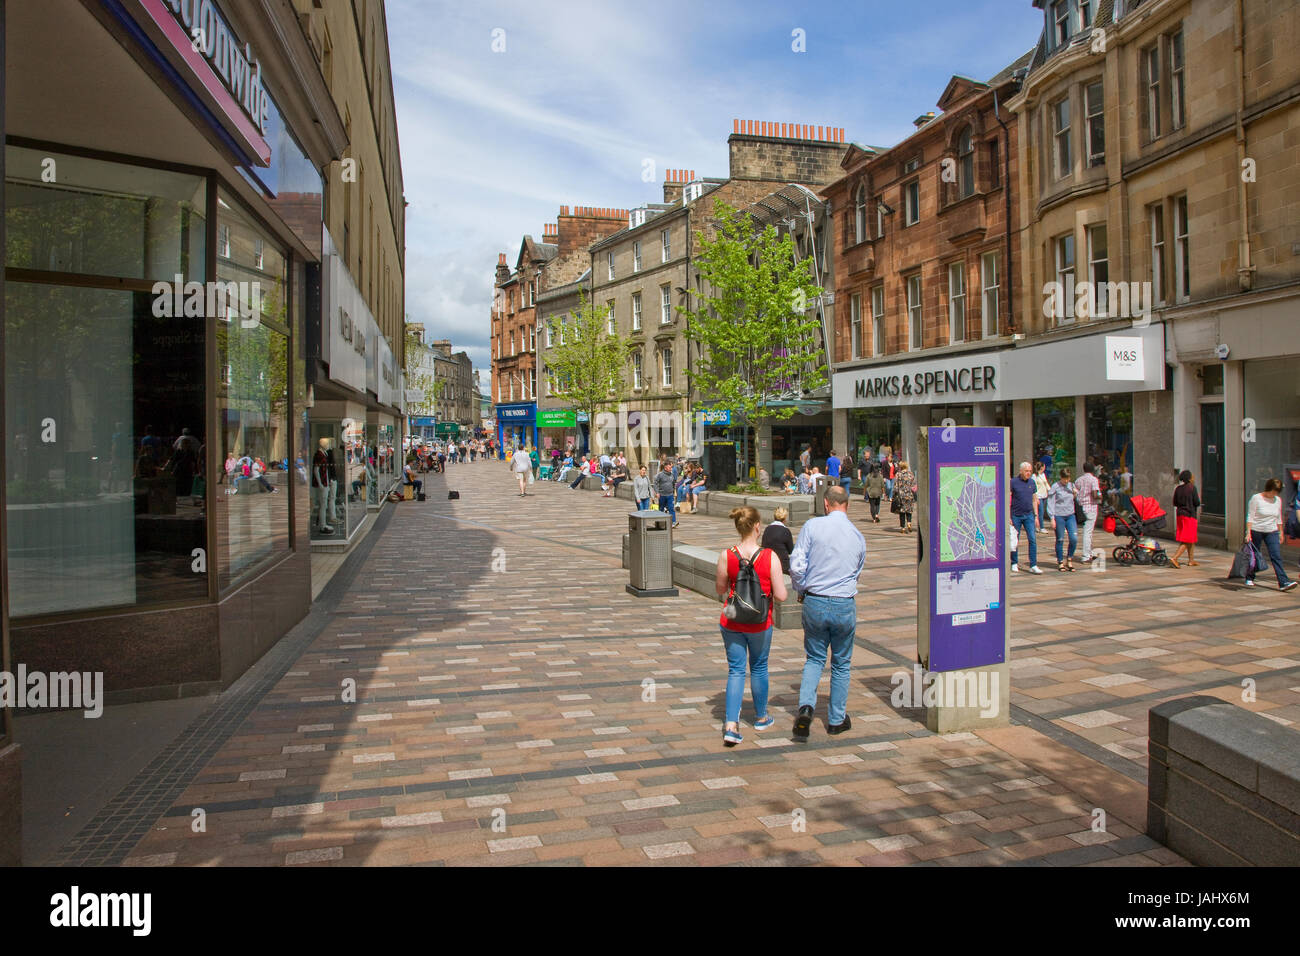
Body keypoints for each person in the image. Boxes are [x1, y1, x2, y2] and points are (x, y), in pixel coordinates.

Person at [790, 486, 866, 738]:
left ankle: (806, 708)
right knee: (841, 664)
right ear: (847, 505)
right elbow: (857, 569)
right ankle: (835, 719)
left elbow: (797, 564)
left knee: (814, 658)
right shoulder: (857, 534)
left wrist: (801, 588)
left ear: (826, 503)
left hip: (816, 600)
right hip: (844, 602)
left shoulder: (812, 527)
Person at [715, 506, 787, 746]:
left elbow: (720, 589)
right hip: (760, 622)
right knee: (758, 667)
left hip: (733, 620)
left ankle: (731, 725)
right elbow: (782, 595)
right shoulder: (770, 557)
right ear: (758, 526)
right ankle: (761, 717)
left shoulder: (728, 554)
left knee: (736, 670)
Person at [1245, 478, 1296, 591]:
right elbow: (1250, 516)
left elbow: (1278, 517)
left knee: (1276, 556)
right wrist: (1248, 532)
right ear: (1268, 489)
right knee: (1255, 556)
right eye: (1273, 491)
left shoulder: (1277, 500)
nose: (1274, 494)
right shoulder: (1256, 498)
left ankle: (1283, 582)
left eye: (1277, 492)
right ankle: (1250, 576)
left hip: (1271, 531)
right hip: (1256, 530)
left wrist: (1280, 532)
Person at [1009, 461, 1043, 573]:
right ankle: (1014, 562)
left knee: (1032, 539)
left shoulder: (1032, 482)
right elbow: (1008, 499)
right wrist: (1008, 516)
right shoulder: (1013, 482)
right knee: (1015, 540)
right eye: (1026, 471)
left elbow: (1034, 499)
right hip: (1016, 515)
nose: (1028, 473)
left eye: (1030, 471)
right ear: (1021, 471)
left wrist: (1036, 515)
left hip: (1029, 515)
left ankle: (1033, 564)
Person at [1047, 466, 1080, 571]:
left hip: (1070, 515)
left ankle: (1069, 559)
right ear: (1061, 477)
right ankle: (1060, 561)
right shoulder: (1055, 486)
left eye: (1068, 478)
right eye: (1064, 478)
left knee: (1074, 538)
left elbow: (1075, 499)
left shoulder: (1071, 485)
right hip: (1059, 515)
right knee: (1060, 539)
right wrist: (1052, 517)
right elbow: (1051, 502)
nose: (1066, 480)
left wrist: (1075, 493)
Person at [1169, 470, 1201, 569]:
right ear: (1189, 478)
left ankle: (1191, 560)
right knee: (1187, 539)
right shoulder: (1192, 488)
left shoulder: (1178, 488)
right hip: (1189, 515)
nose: (1193, 478)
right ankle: (1175, 558)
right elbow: (1197, 502)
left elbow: (1174, 502)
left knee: (1191, 538)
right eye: (1192, 476)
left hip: (1180, 515)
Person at [1076, 462, 1102, 563]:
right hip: (1091, 507)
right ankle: (1086, 555)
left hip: (1082, 507)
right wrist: (1101, 496)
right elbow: (1095, 494)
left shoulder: (1079, 479)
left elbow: (1076, 489)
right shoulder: (1094, 480)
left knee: (1088, 531)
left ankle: (1089, 553)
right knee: (1088, 532)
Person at [761, 505, 795, 574]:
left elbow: (763, 545)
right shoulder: (785, 531)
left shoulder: (767, 529)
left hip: (768, 562)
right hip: (782, 565)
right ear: (785, 519)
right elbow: (791, 550)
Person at [654, 458, 677, 527]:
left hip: (670, 495)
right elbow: (655, 483)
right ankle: (659, 523)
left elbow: (673, 484)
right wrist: (657, 492)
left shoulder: (672, 475)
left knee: (671, 508)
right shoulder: (660, 475)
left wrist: (674, 492)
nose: (671, 469)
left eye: (671, 467)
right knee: (661, 509)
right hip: (662, 495)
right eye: (669, 467)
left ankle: (673, 522)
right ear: (665, 467)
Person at [894, 461, 917, 533]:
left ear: (900, 466)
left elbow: (896, 486)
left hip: (901, 495)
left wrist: (894, 494)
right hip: (910, 495)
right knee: (909, 510)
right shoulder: (911, 474)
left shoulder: (898, 474)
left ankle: (903, 527)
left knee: (902, 511)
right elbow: (914, 485)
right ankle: (909, 523)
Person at [1032, 461, 1051, 531]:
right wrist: (1035, 497)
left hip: (1044, 496)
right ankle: (1041, 527)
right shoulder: (1034, 476)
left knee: (1041, 512)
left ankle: (1037, 526)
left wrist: (1050, 491)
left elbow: (1046, 484)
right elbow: (1034, 487)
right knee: (1040, 512)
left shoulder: (1043, 475)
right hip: (1038, 496)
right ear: (1042, 467)